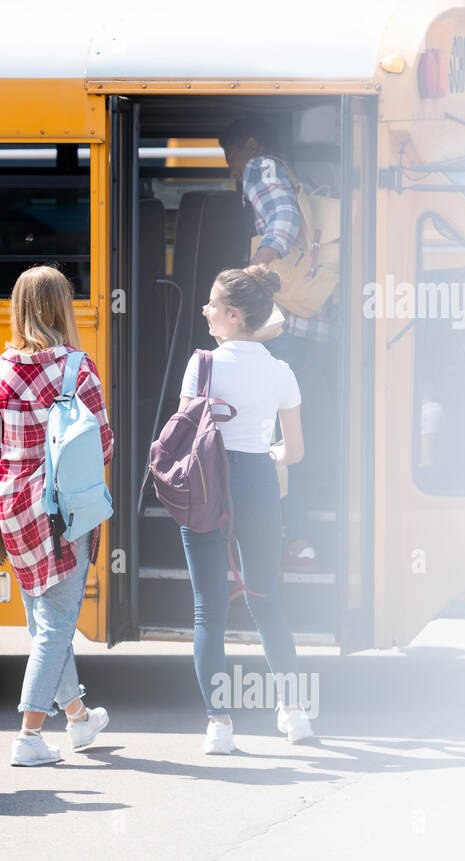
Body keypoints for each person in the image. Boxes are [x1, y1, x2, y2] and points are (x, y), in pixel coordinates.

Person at [0, 265, 114, 766]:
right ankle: (29, 735)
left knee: (43, 623)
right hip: (63, 512)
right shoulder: (79, 369)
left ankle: (77, 717)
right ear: (62, 308)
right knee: (55, 625)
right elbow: (103, 445)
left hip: (14, 509)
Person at [180, 265, 315, 753]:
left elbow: (185, 437)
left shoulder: (203, 365)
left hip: (207, 485)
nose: (206, 310)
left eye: (213, 304)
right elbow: (294, 451)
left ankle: (219, 725)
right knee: (265, 600)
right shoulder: (281, 371)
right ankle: (295, 714)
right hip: (258, 481)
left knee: (208, 611)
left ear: (233, 315)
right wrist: (266, 455)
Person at [220, 117, 338, 570]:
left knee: (263, 441)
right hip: (311, 326)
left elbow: (283, 218)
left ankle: (271, 542)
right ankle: (301, 538)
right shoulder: (295, 172)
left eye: (231, 157)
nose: (233, 171)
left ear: (250, 143)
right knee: (294, 437)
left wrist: (258, 266)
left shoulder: (263, 167)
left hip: (284, 330)